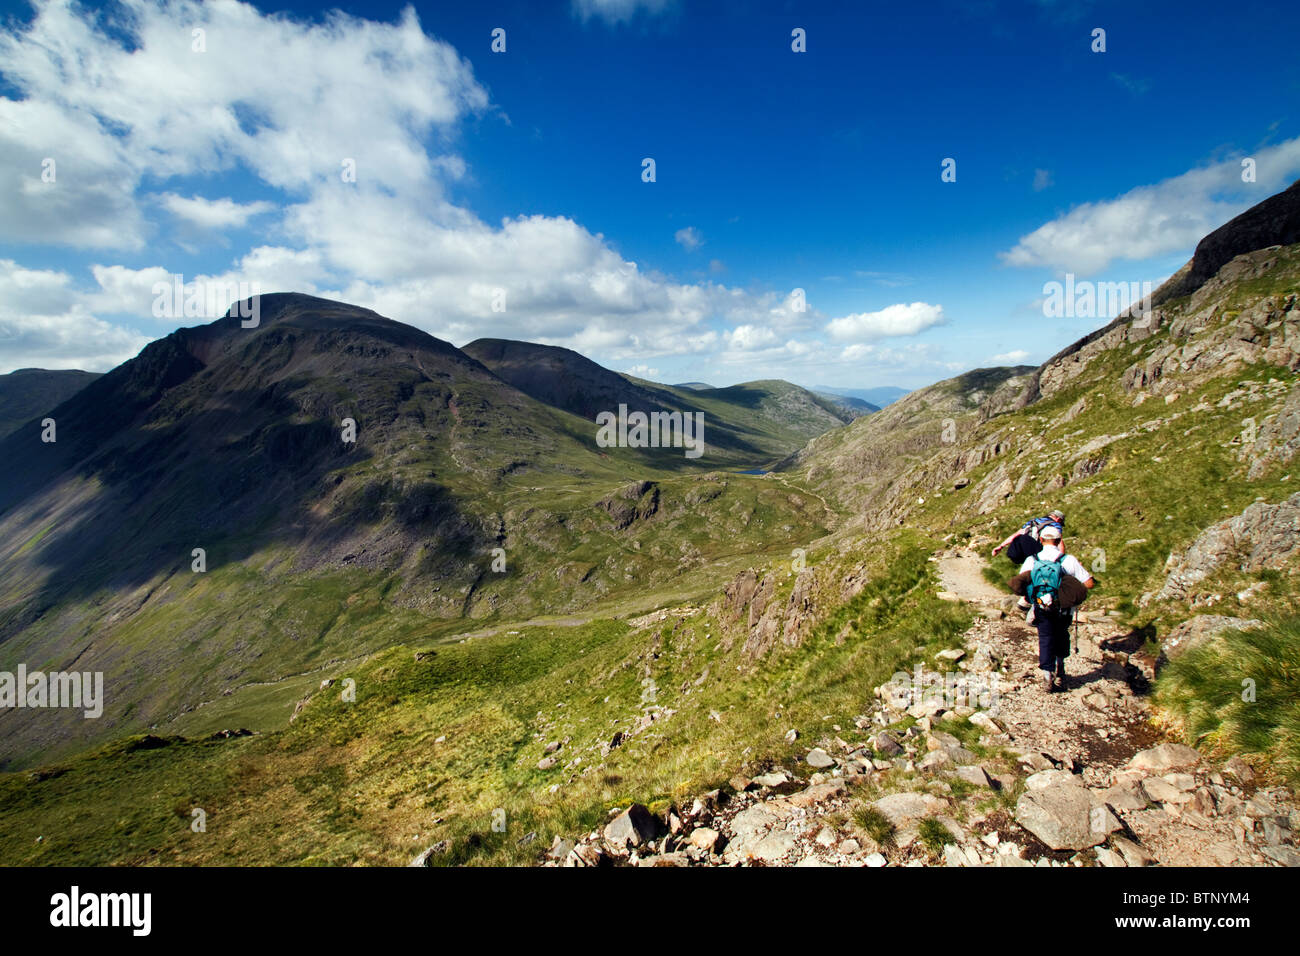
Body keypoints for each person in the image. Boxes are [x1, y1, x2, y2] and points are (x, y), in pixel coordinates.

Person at [1018, 524, 1094, 693]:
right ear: (1059, 541)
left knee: (1045, 638)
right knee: (1061, 635)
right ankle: (1060, 669)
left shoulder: (1032, 560)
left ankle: (1047, 676)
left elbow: (1022, 582)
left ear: (1041, 540)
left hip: (1041, 607)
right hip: (1064, 609)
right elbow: (1089, 583)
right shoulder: (1069, 560)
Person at [992, 509, 1065, 608]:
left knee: (1029, 571)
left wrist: (1000, 546)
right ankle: (1030, 599)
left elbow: (1016, 535)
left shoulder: (1033, 522)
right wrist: (1061, 559)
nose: (1060, 524)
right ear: (1058, 519)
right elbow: (1060, 543)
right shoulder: (1055, 525)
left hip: (1019, 552)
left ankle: (1025, 596)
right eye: (1060, 522)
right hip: (1036, 552)